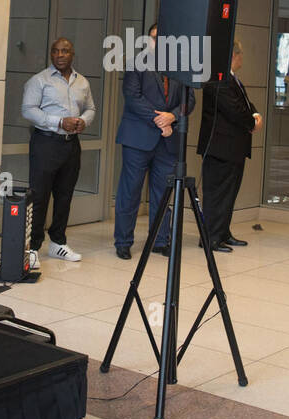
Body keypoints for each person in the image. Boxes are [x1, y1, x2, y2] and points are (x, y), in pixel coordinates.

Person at [114, 24, 195, 259]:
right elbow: (132, 97)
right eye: (153, 38)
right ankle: (123, 242)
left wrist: (173, 117)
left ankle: (160, 240)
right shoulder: (136, 62)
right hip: (138, 138)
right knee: (130, 193)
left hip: (168, 141)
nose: (156, 43)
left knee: (162, 193)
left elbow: (189, 99)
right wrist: (160, 119)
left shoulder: (183, 66)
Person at [22, 37, 95, 262]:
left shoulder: (82, 81)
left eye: (65, 51)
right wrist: (58, 122)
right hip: (46, 143)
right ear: (51, 54)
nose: (60, 55)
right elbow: (28, 110)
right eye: (55, 51)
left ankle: (58, 242)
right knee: (39, 195)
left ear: (72, 54)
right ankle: (32, 247)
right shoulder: (39, 80)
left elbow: (91, 108)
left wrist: (83, 121)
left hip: (71, 145)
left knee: (65, 195)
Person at [196, 40, 261, 252]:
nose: (243, 58)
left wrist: (255, 114)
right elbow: (233, 109)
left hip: (233, 148)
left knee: (229, 194)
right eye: (241, 54)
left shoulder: (231, 79)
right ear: (234, 55)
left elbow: (244, 104)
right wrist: (251, 123)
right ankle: (211, 238)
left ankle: (223, 233)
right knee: (217, 195)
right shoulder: (218, 79)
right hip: (220, 148)